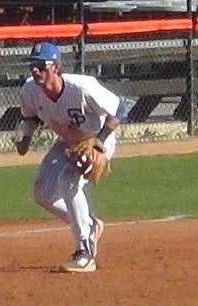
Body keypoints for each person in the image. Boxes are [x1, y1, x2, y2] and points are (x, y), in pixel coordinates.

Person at [15, 42, 127, 273]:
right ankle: (90, 224)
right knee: (42, 194)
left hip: (97, 141)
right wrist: (25, 138)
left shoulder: (82, 88)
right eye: (32, 66)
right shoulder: (29, 90)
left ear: (56, 67)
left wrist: (99, 143)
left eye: (40, 66)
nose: (35, 71)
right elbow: (30, 117)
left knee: (69, 182)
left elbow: (120, 109)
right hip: (66, 142)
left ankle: (84, 252)